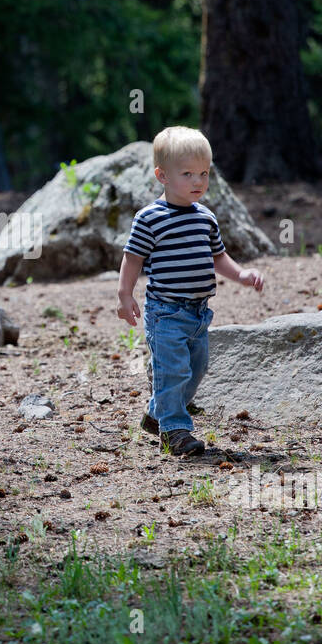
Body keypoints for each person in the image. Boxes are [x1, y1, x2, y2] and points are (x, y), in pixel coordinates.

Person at [116, 127, 265, 456]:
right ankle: (174, 432)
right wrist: (124, 295)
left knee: (196, 369)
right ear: (162, 176)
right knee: (175, 371)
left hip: (199, 312)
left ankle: (157, 415)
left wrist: (241, 274)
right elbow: (133, 257)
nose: (198, 181)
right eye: (187, 174)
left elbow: (217, 256)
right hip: (165, 312)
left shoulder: (205, 217)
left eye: (204, 173)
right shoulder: (150, 218)